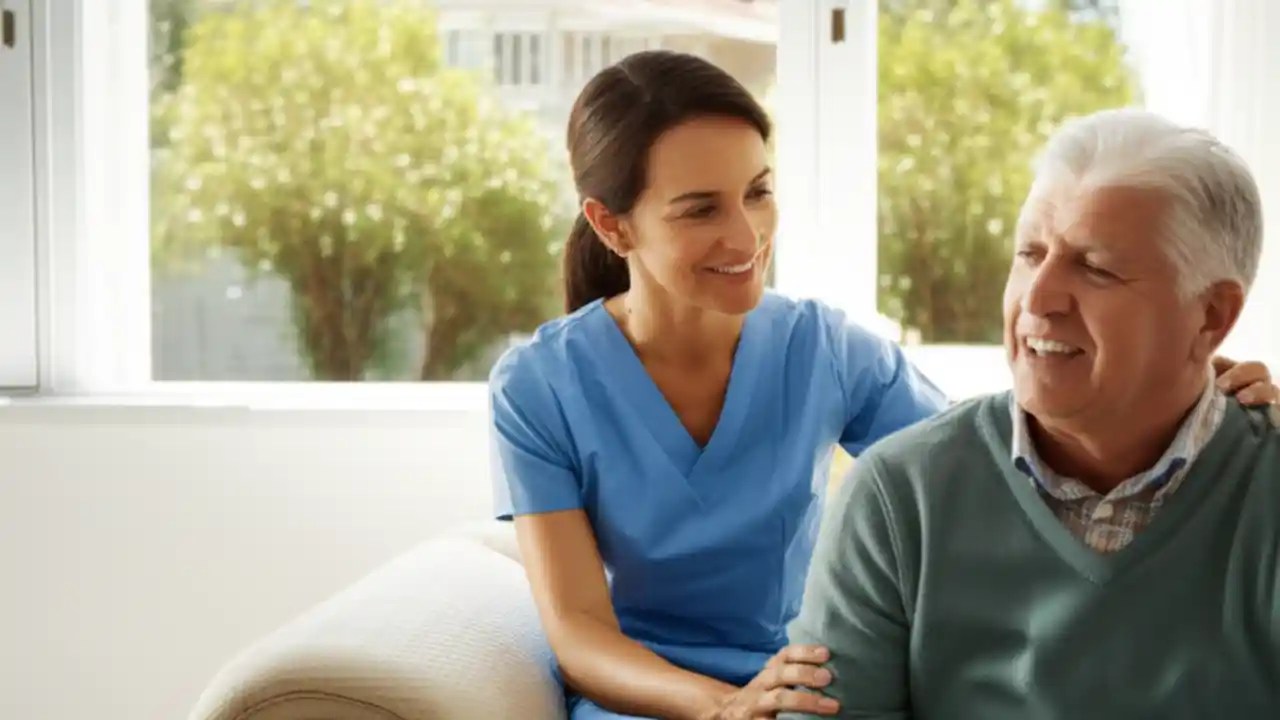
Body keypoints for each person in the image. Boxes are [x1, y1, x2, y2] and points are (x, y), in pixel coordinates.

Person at [487, 52, 1277, 720]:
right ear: (612, 224)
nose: (746, 236)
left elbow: (992, 464)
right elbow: (580, 629)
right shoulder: (540, 385)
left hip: (809, 678)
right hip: (660, 701)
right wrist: (722, 705)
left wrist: (1185, 378)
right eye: (700, 210)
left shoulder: (823, 350)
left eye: (758, 192)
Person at [783, 109, 1280, 719]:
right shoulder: (898, 494)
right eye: (1030, 253)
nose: (1037, 300)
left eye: (1095, 267)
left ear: (1211, 317)